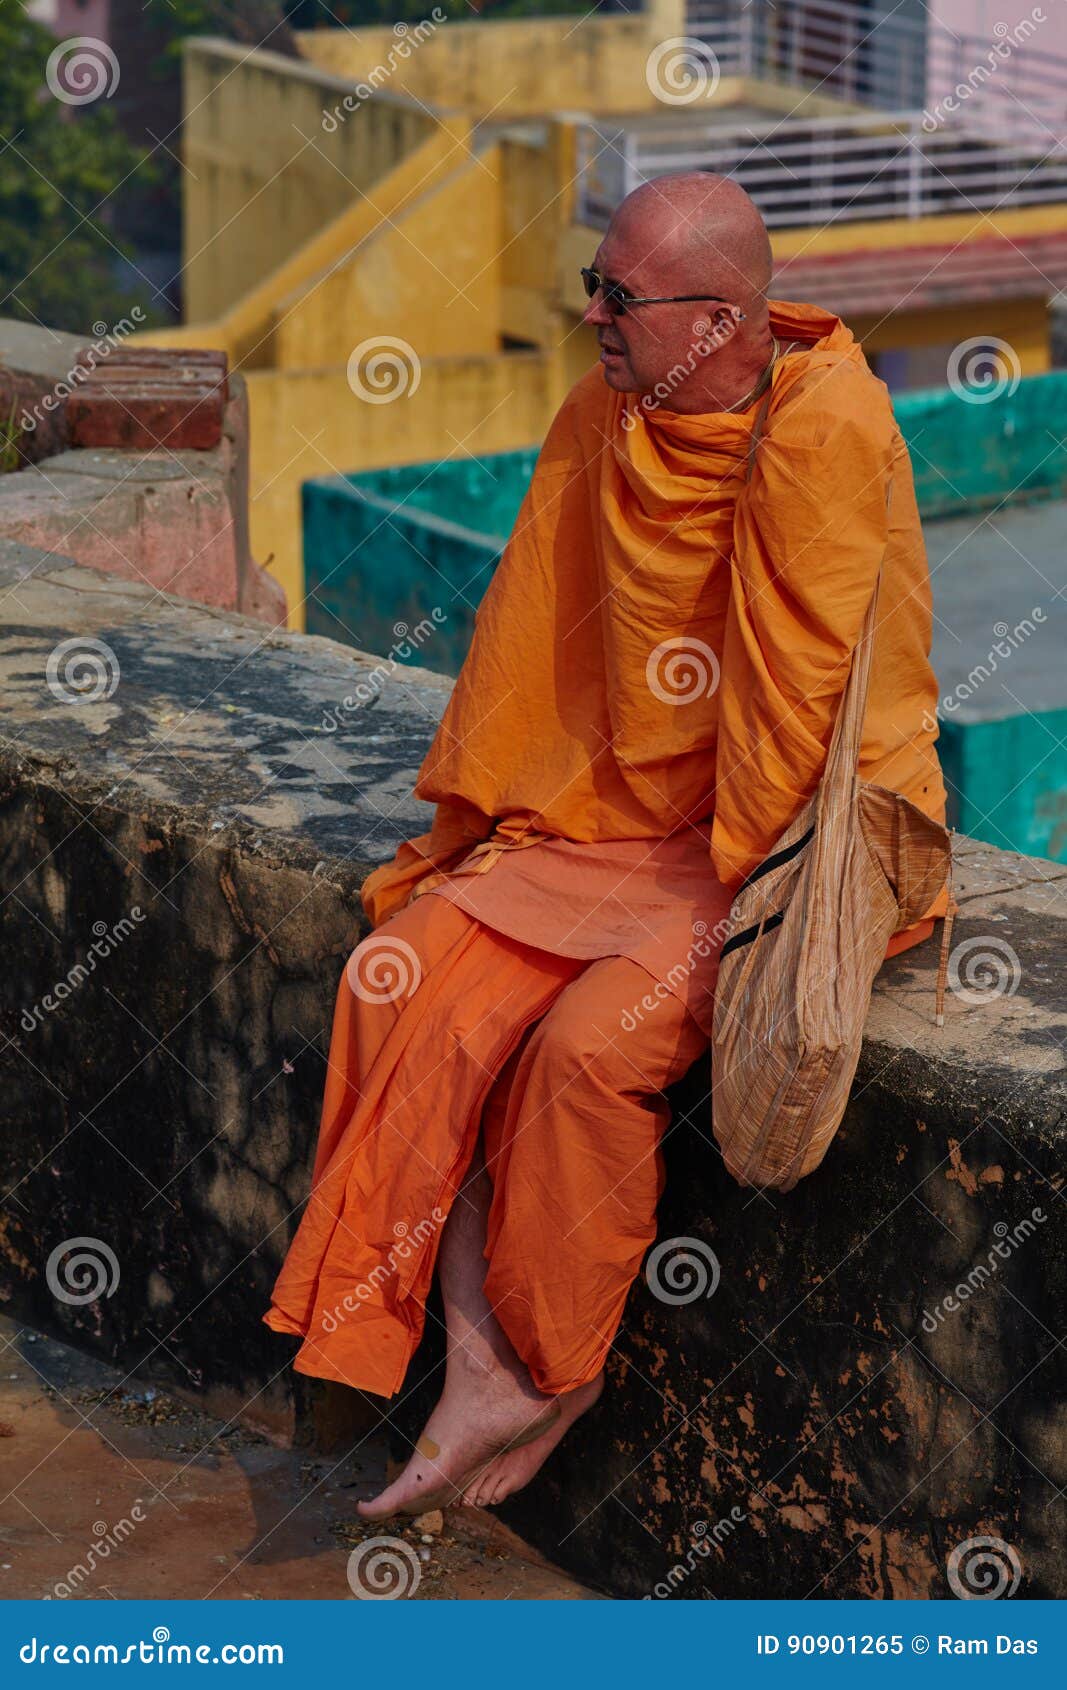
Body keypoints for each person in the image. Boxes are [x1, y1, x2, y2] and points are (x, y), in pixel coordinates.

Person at [264, 172, 950, 1518]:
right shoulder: (606, 414)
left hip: (786, 840)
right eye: (596, 282)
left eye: (618, 297)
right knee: (400, 977)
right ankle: (468, 1345)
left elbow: (803, 718)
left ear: (721, 318)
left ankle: (550, 1362)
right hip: (609, 824)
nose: (593, 313)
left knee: (582, 1050)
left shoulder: (828, 433)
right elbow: (539, 644)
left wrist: (733, 881)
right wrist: (512, 818)